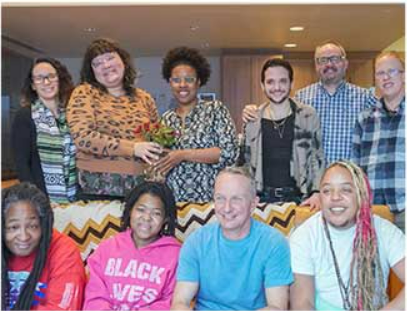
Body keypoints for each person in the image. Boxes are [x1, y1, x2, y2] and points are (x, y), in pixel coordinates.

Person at [171, 166, 293, 310]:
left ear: (253, 204)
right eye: (220, 198)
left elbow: (277, 307)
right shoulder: (196, 241)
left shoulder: (273, 243)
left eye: (236, 199)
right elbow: (180, 303)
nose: (227, 208)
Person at [289, 161, 405, 310]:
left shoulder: (384, 231)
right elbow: (302, 304)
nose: (335, 197)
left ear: (360, 195)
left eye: (346, 190)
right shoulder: (304, 236)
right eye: (327, 191)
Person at [243, 40, 376, 164]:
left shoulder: (366, 99)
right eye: (322, 60)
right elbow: (275, 108)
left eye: (334, 59)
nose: (329, 64)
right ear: (316, 66)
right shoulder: (301, 98)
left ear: (345, 63)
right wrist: (253, 111)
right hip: (310, 184)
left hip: (348, 183)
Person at [67, 37, 162, 200]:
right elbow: (83, 138)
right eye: (97, 63)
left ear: (123, 61)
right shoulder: (84, 93)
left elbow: (157, 139)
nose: (105, 65)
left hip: (141, 186)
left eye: (110, 58)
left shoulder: (144, 98)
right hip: (97, 186)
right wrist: (133, 148)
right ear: (92, 71)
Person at [155, 46, 238, 202]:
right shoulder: (166, 119)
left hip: (212, 203)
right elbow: (162, 160)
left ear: (199, 82)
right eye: (176, 80)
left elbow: (229, 153)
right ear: (170, 82)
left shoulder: (215, 110)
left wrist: (183, 154)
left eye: (189, 79)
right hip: (174, 203)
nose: (182, 85)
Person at [83, 181, 181, 310]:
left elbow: (172, 300)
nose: (146, 218)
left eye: (156, 213)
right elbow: (95, 296)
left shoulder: (176, 255)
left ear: (165, 219)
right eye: (141, 210)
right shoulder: (107, 248)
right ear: (130, 211)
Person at [244, 58, 324, 209]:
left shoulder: (307, 115)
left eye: (283, 81)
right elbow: (246, 163)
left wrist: (317, 192)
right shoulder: (253, 119)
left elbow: (316, 156)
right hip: (261, 200)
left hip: (300, 199)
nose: (277, 87)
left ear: (291, 84)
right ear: (262, 85)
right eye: (270, 82)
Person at [2, 182, 86, 310]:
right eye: (13, 227)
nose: (23, 237)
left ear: (43, 224)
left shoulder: (64, 251)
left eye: (32, 226)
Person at [12, 58, 77, 203]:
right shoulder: (25, 116)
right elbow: (22, 165)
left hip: (76, 198)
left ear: (59, 79)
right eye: (39, 78)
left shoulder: (72, 114)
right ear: (33, 85)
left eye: (51, 76)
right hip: (42, 199)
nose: (46, 82)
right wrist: (35, 199)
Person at [353, 51, 405, 232]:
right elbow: (356, 167)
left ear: (404, 75)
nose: (386, 77)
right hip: (373, 211)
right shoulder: (365, 118)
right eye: (380, 73)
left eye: (392, 71)